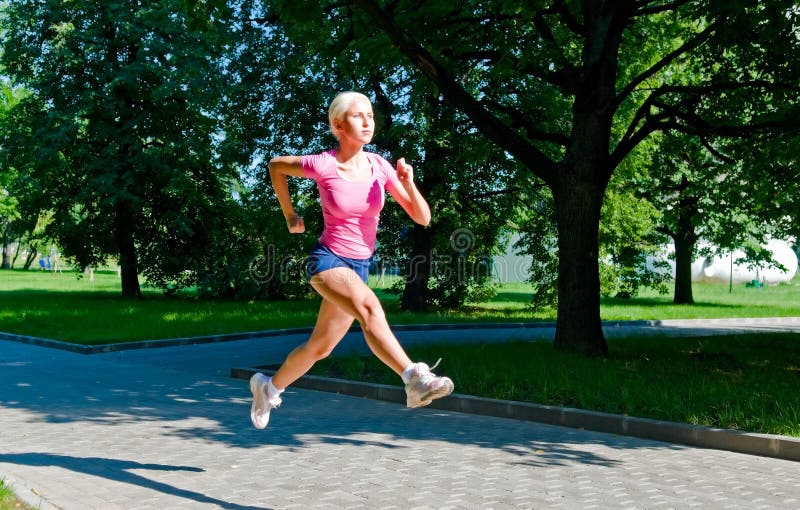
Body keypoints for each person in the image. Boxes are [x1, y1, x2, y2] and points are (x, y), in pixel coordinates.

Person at [249, 91, 454, 429]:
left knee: (319, 348)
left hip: (358, 267)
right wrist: (289, 214)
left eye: (370, 116)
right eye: (358, 116)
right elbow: (275, 166)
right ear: (338, 125)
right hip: (327, 261)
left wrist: (409, 184)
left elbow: (423, 217)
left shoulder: (378, 166)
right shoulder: (323, 164)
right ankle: (414, 379)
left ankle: (267, 387)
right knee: (370, 308)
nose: (367, 122)